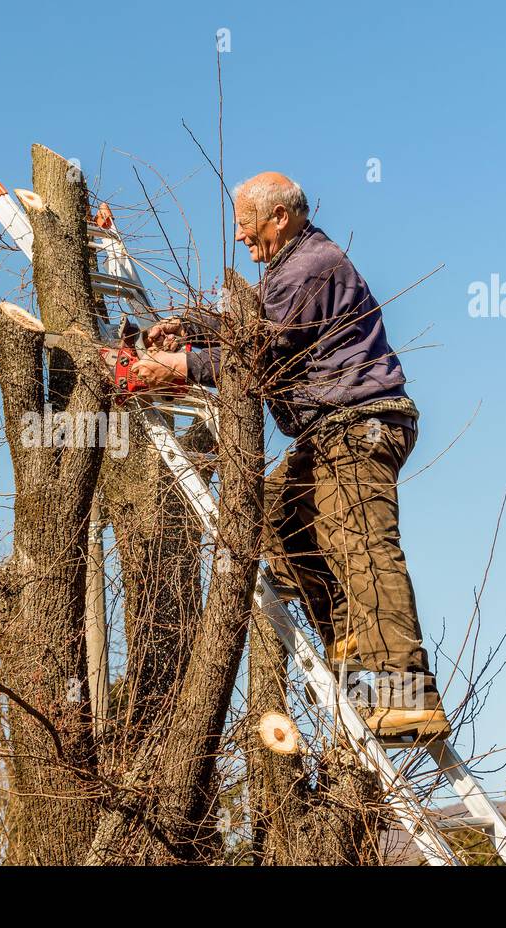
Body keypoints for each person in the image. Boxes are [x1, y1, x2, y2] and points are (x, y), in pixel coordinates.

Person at [129, 172, 449, 741]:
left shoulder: (311, 266)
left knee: (363, 546)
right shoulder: (290, 269)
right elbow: (257, 327)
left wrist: (181, 368)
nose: (240, 238)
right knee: (276, 517)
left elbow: (259, 358)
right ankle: (348, 639)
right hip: (326, 433)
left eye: (245, 223)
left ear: (279, 216)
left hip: (358, 426)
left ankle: (409, 692)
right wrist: (190, 327)